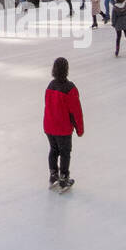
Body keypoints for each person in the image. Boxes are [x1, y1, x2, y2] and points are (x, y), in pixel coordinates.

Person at [43, 56, 84, 192]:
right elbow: (76, 112)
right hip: (63, 128)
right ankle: (63, 179)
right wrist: (79, 129)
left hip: (49, 127)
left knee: (53, 150)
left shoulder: (50, 85)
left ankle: (53, 175)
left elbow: (47, 106)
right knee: (65, 152)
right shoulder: (70, 88)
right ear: (66, 70)